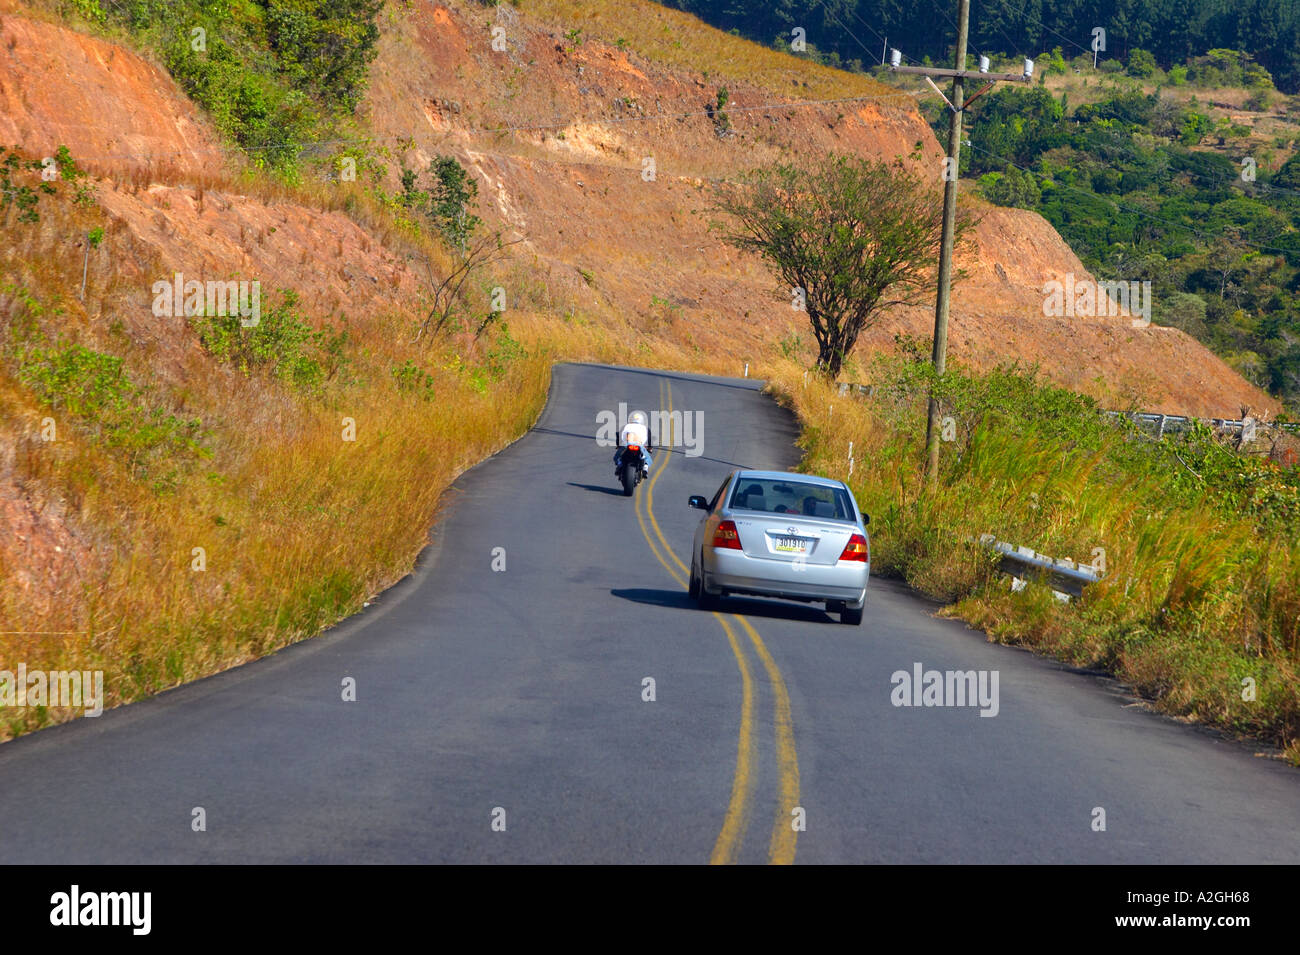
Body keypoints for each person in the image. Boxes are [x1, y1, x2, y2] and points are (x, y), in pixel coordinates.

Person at [614, 410, 653, 479]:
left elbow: (618, 434)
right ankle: (645, 469)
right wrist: (650, 448)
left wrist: (618, 445)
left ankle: (619, 466)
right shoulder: (645, 428)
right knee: (647, 458)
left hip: (627, 445)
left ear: (631, 419)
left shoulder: (626, 426)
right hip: (640, 446)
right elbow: (649, 438)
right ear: (642, 420)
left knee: (617, 456)